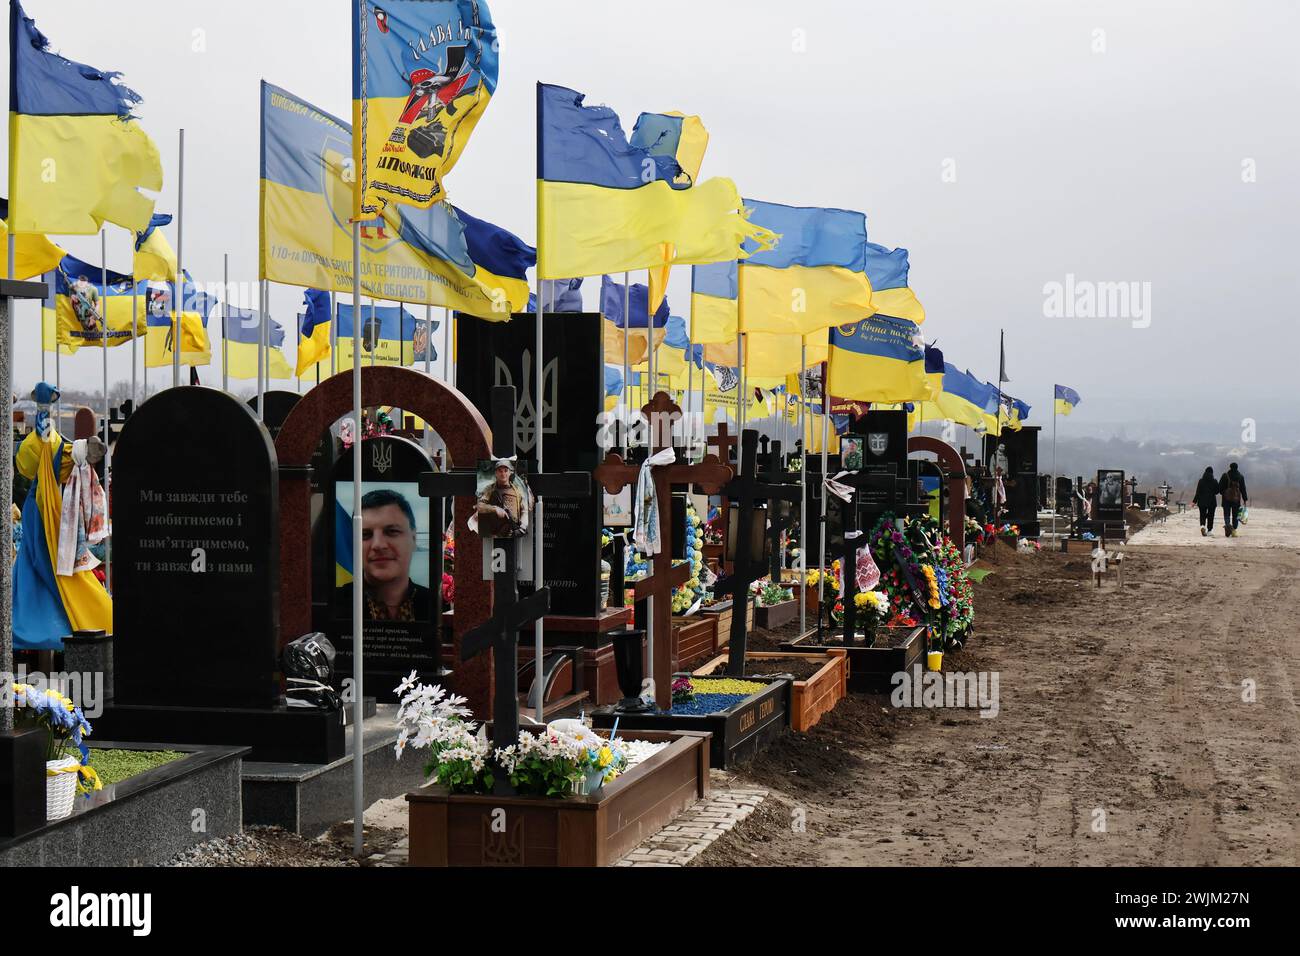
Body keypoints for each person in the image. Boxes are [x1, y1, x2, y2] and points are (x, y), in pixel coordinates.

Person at [337, 488, 429, 621]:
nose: (378, 545)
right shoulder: (336, 605)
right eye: (365, 535)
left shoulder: (437, 606)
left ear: (413, 539)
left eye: (391, 531)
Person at [475, 459, 528, 538]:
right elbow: (479, 507)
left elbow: (524, 511)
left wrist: (522, 528)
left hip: (515, 531)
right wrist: (495, 509)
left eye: (506, 470)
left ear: (510, 472)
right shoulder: (490, 489)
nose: (503, 474)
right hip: (496, 534)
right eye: (500, 471)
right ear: (496, 473)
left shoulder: (517, 491)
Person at [1218, 462, 1248, 537]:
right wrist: (1245, 499)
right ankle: (1234, 529)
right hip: (1236, 499)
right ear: (1237, 467)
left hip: (1226, 499)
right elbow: (1243, 489)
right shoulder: (1240, 476)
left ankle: (1228, 525)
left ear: (1230, 467)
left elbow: (1220, 487)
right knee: (1235, 515)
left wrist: (1223, 493)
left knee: (1226, 514)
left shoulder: (1225, 475)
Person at [1193, 467, 1218, 536]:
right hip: (1212, 502)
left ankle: (1202, 526)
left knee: (1202, 514)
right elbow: (1217, 491)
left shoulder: (1201, 481)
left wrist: (1194, 501)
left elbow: (1197, 492)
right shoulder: (1214, 481)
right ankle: (1209, 531)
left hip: (1202, 501)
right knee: (1211, 516)